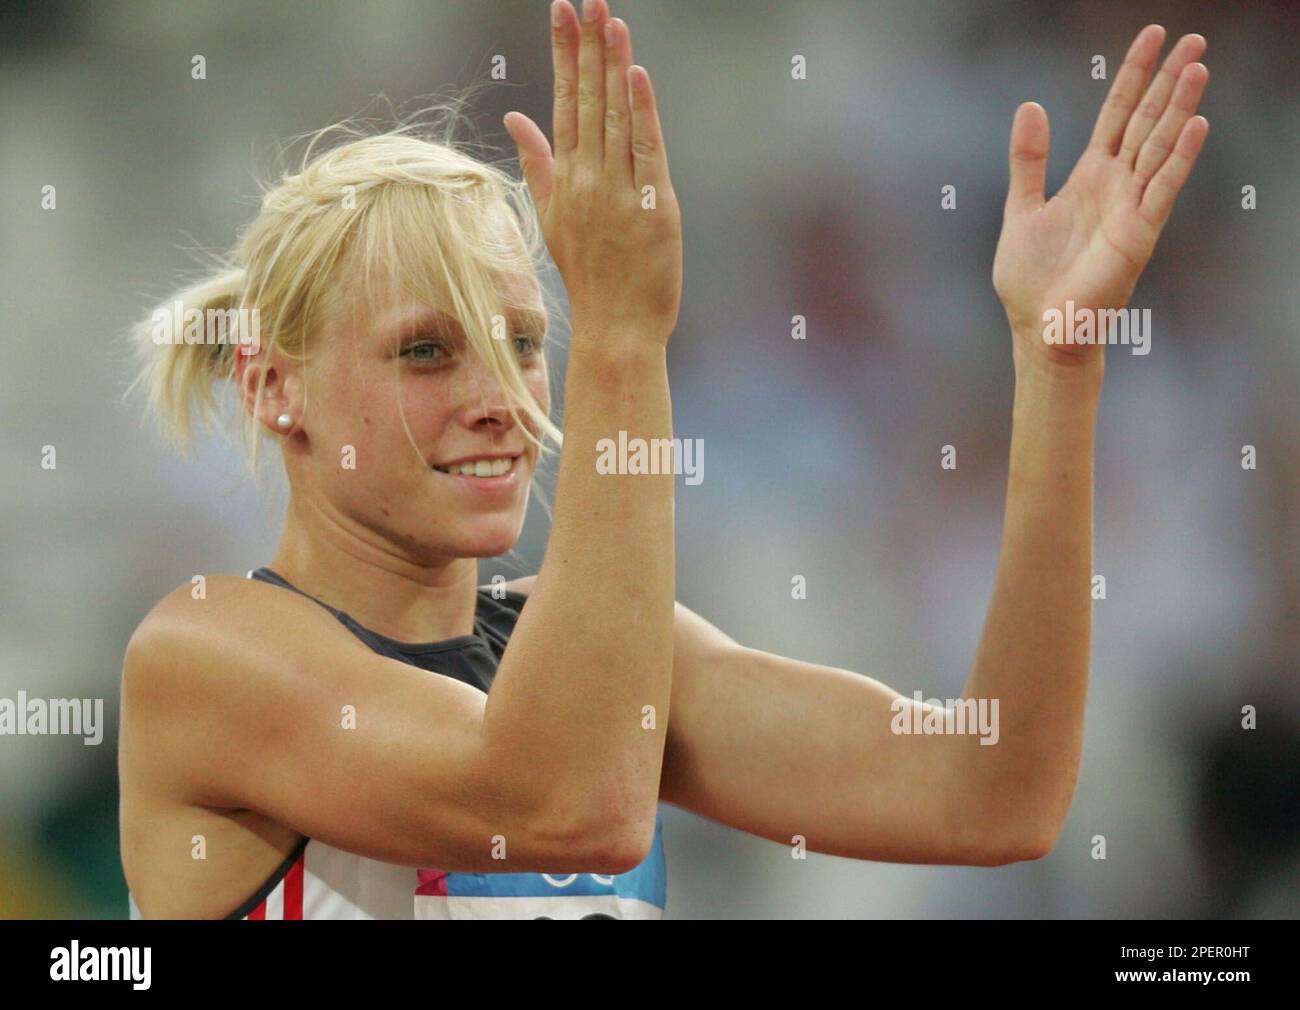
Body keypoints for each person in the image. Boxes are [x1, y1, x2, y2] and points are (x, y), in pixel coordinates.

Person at [118, 0, 1210, 919]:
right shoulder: (206, 651)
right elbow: (565, 799)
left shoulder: (627, 663)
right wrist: (627, 337)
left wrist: (1057, 367)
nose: (499, 399)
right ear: (272, 386)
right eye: (426, 350)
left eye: (527, 343)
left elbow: (995, 792)